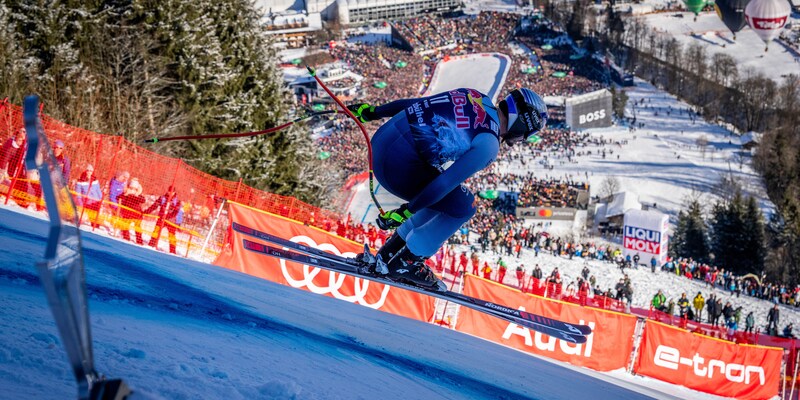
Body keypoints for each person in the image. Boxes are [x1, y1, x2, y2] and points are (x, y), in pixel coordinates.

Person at [349, 87, 548, 290]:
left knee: (442, 199)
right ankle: (406, 262)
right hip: (397, 168)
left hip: (380, 145)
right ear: (523, 123)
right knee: (464, 206)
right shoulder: (489, 142)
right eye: (528, 134)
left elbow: (415, 105)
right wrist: (407, 210)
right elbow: (446, 183)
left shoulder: (474, 95)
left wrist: (374, 112)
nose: (523, 139)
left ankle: (390, 253)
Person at [144, 185, 184, 254]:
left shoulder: (177, 201)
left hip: (171, 221)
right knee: (156, 231)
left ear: (174, 192)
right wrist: (146, 211)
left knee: (172, 236)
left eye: (172, 192)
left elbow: (176, 212)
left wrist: (167, 217)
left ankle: (173, 251)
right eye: (169, 191)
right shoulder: (162, 198)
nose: (170, 193)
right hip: (161, 219)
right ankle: (151, 245)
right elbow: (154, 206)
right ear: (167, 191)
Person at [116, 178, 146, 245]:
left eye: (134, 188)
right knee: (124, 227)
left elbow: (143, 200)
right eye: (131, 188)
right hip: (127, 214)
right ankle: (126, 239)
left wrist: (135, 195)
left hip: (136, 215)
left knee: (137, 229)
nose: (132, 190)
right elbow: (118, 198)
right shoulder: (126, 194)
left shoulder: (138, 195)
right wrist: (125, 194)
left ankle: (139, 242)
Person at [75, 164, 103, 229]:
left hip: (96, 201)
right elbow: (78, 194)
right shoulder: (80, 181)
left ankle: (96, 228)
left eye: (91, 171)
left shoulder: (95, 180)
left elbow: (98, 191)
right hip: (87, 202)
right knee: (90, 216)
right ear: (85, 171)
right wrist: (81, 204)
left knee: (96, 217)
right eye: (88, 171)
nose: (89, 172)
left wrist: (101, 200)